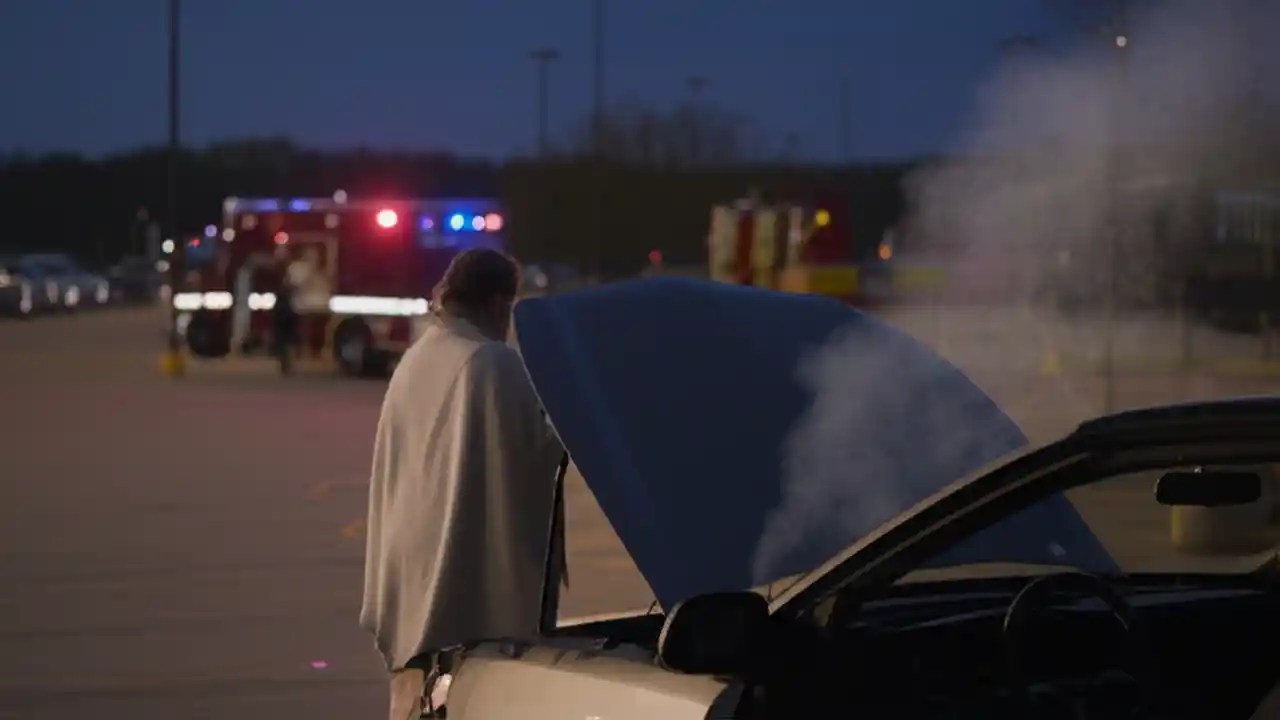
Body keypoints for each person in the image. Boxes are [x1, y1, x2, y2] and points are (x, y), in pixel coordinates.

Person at [360, 248, 566, 720]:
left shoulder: (418, 357)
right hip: (461, 604)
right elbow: (538, 454)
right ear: (499, 305)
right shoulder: (489, 362)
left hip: (412, 590)